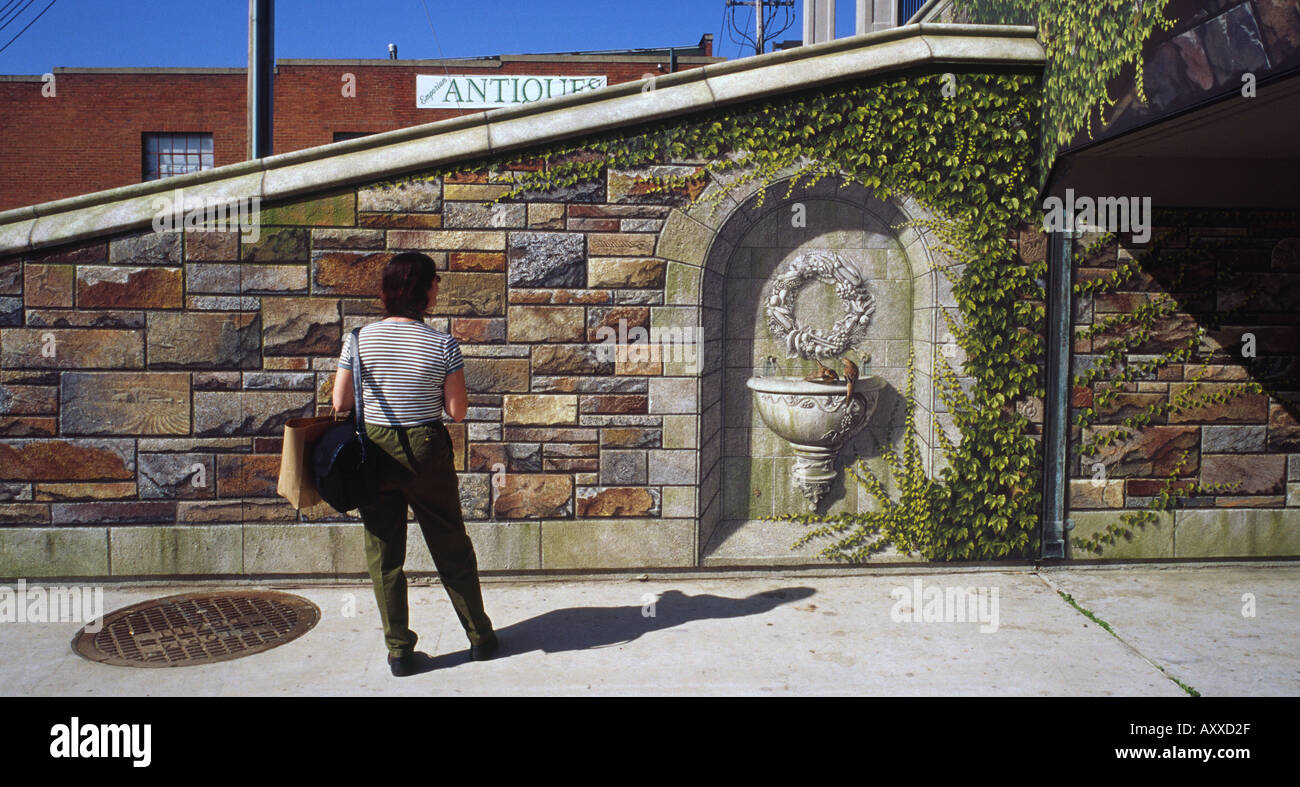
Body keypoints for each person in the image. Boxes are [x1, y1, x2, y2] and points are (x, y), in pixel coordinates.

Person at [332, 251, 498, 676]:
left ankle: (400, 651)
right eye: (435, 282)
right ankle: (479, 637)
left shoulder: (357, 338)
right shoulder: (443, 343)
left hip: (375, 450)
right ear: (422, 289)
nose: (438, 288)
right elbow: (457, 412)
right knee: (450, 542)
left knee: (384, 553)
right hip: (425, 448)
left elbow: (340, 402)